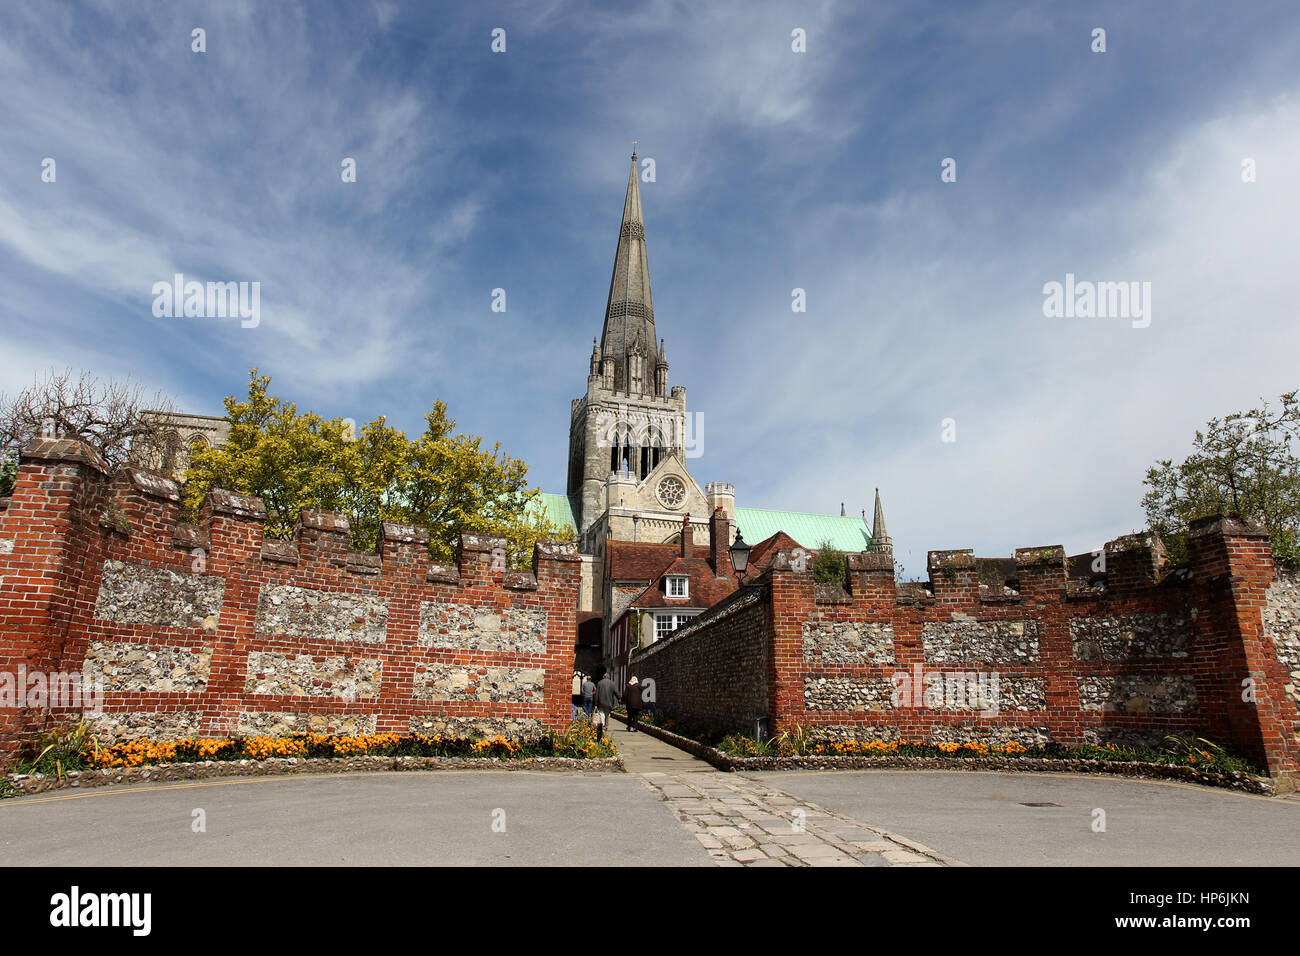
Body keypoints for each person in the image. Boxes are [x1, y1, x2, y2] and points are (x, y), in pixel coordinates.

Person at [594, 670, 619, 741]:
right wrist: (620, 698)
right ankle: (606, 726)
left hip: (601, 702)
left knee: (601, 714)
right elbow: (616, 692)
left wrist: (596, 703)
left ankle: (602, 725)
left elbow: (597, 694)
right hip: (609, 702)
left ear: (603, 677)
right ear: (609, 677)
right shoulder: (612, 683)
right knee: (607, 715)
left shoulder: (599, 683)